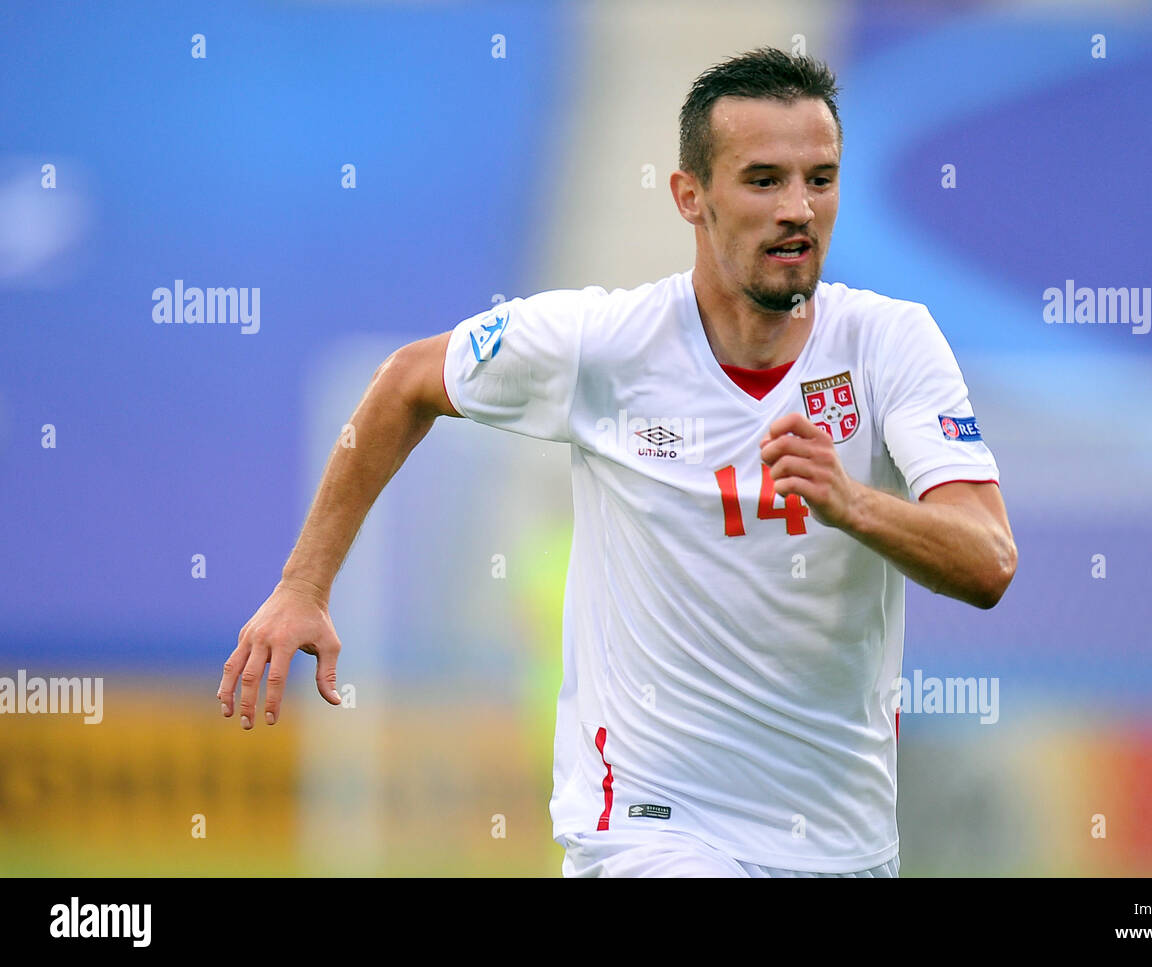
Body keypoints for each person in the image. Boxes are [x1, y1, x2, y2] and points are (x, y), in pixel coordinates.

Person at [217, 46, 1017, 878]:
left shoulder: (891, 344)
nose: (798, 209)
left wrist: (853, 504)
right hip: (650, 824)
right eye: (764, 179)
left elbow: (989, 560)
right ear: (690, 196)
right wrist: (304, 585)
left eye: (821, 178)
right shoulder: (606, 343)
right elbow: (406, 381)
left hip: (842, 839)